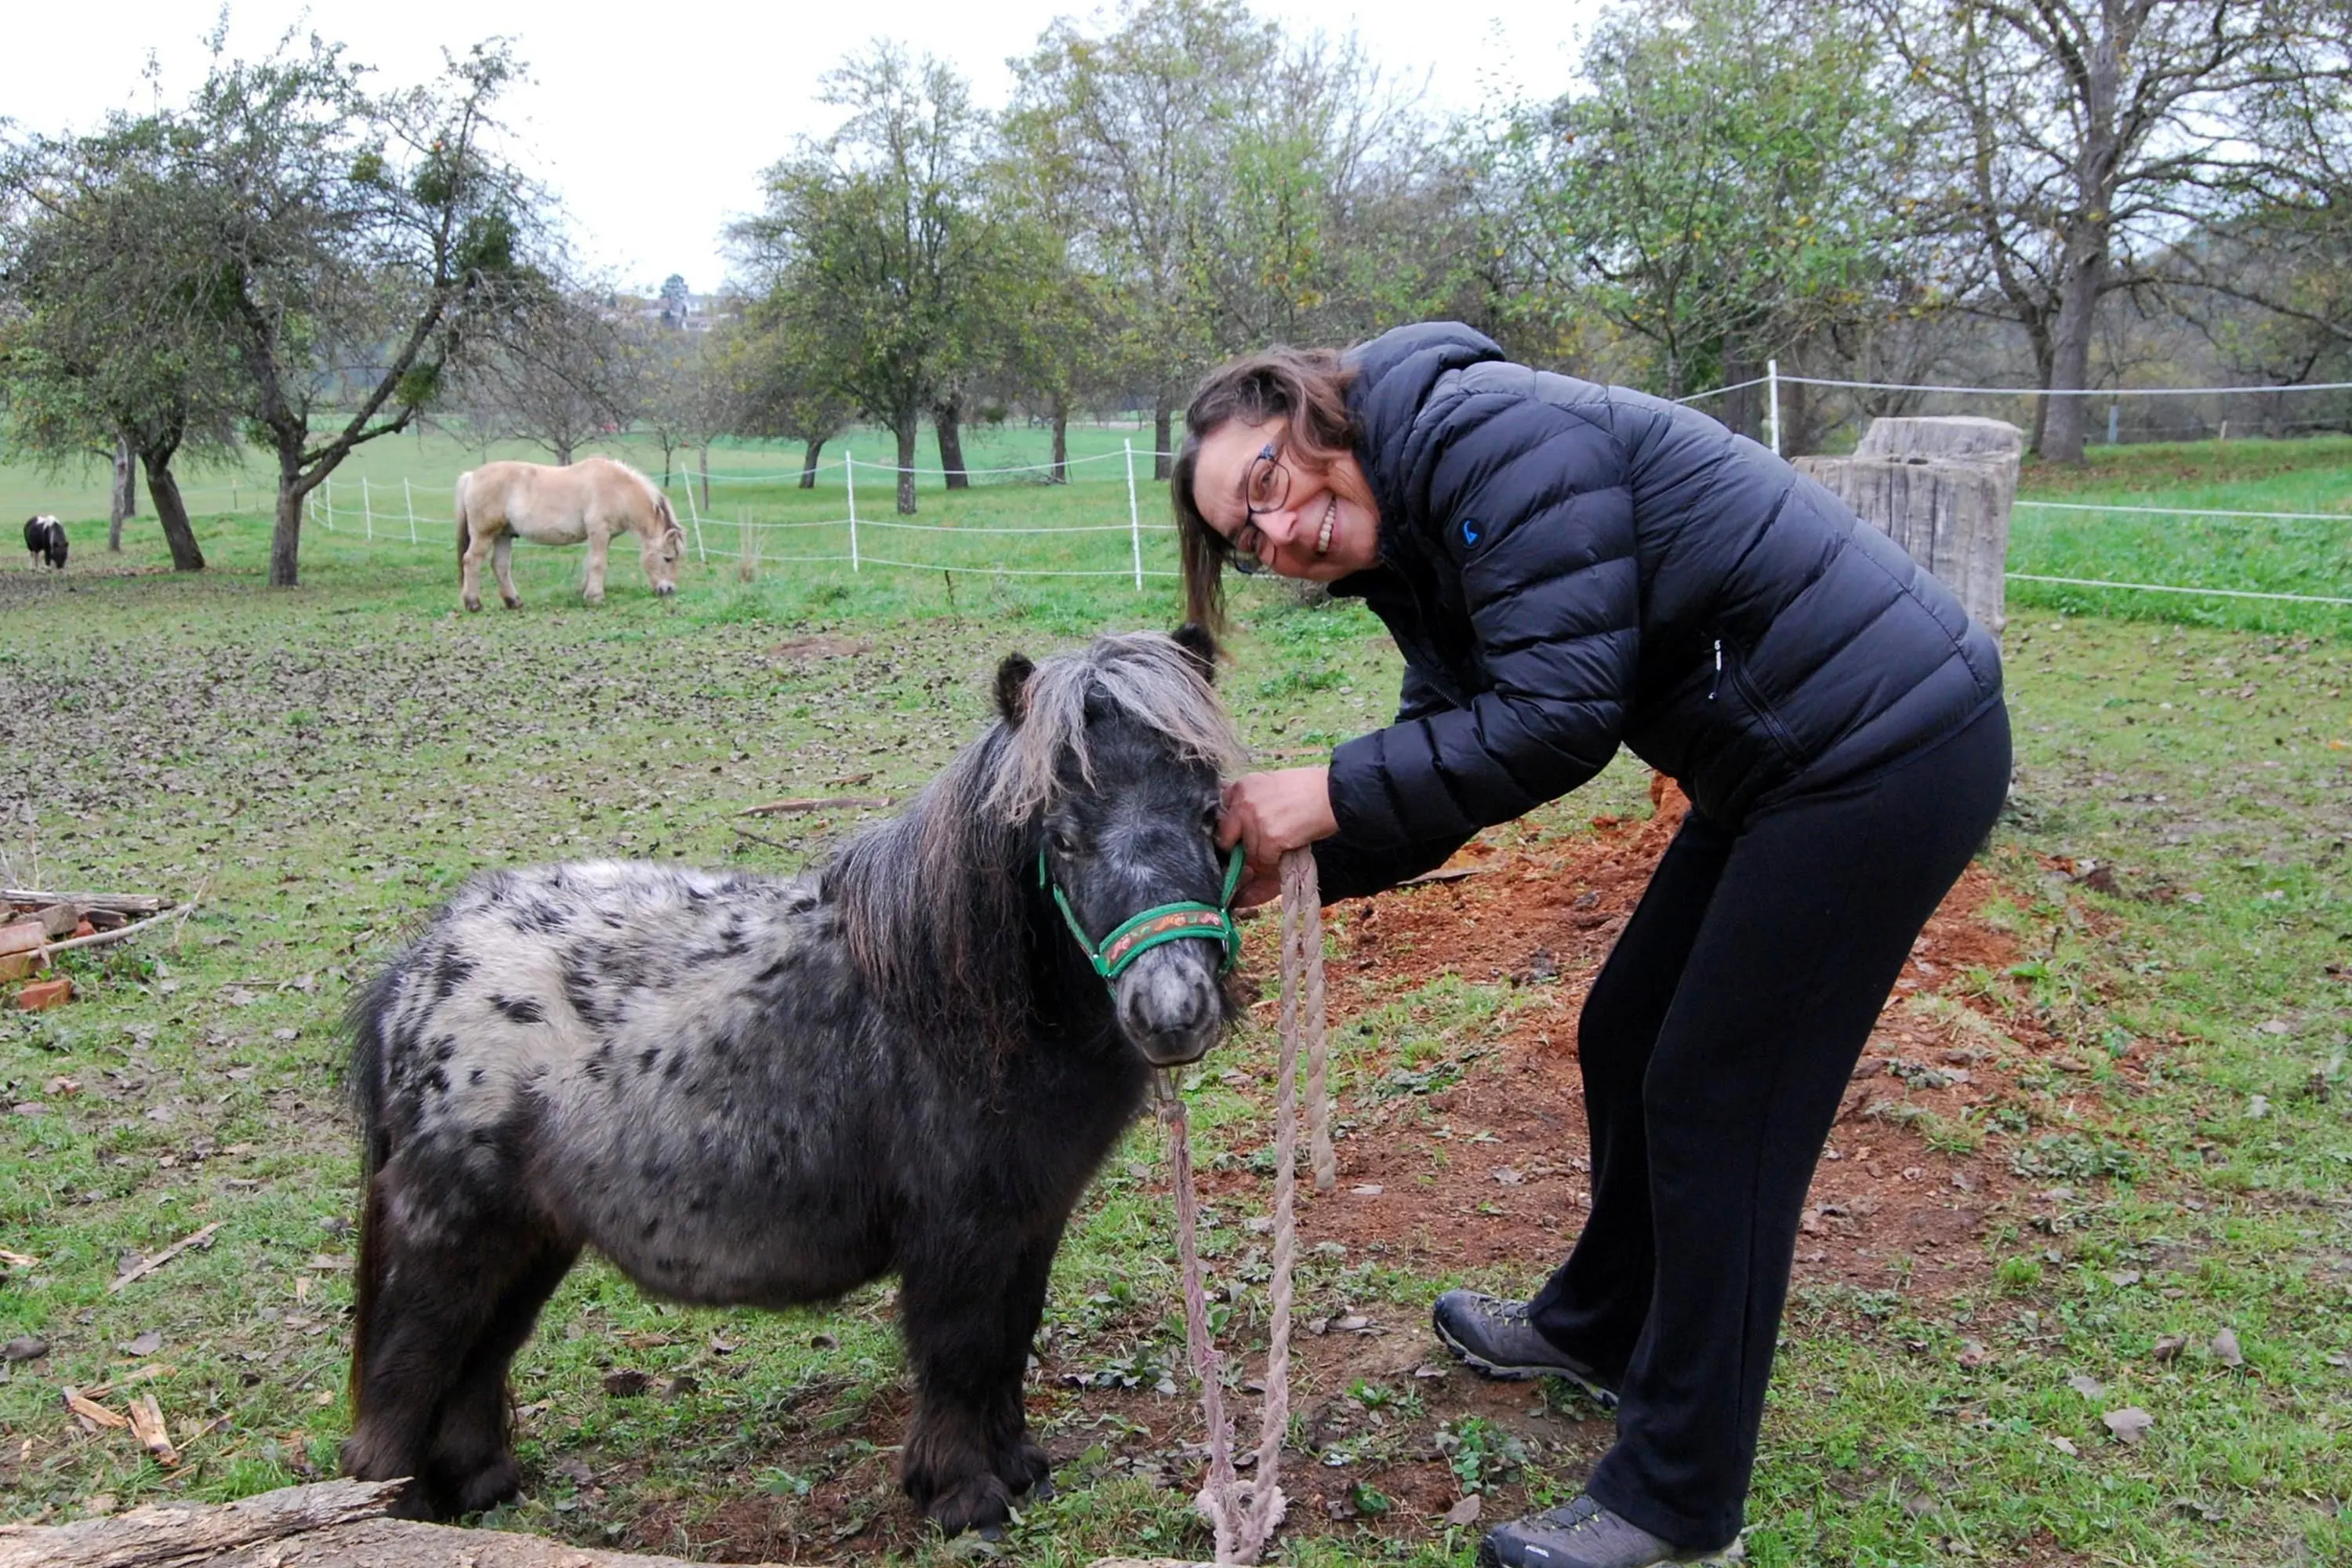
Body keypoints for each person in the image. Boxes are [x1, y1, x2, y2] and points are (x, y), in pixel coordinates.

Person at [1173, 322, 2009, 1568]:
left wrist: (1327, 792)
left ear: (1305, 412)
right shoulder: (1410, 531)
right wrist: (1297, 867)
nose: (1280, 536)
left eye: (1266, 487)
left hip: (1884, 751)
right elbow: (1461, 749)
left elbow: (1557, 718)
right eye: (1249, 543)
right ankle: (1603, 1326)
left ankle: (1679, 1506)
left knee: (1719, 1098)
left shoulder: (1489, 438)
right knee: (1628, 1034)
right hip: (1777, 764)